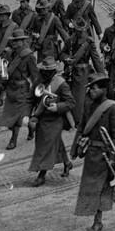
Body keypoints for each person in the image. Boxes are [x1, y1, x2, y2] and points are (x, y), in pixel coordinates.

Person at [74, 74, 115, 231]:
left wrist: (114, 157)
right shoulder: (88, 104)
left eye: (94, 88)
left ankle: (98, 222)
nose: (91, 91)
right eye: (90, 88)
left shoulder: (113, 107)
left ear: (103, 89)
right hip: (91, 154)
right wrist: (75, 148)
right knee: (93, 188)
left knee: (99, 189)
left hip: (106, 155)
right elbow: (82, 126)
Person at [28, 56, 74, 185]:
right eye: (43, 71)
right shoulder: (39, 81)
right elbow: (30, 99)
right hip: (42, 118)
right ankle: (67, 163)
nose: (44, 74)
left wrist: (58, 107)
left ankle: (42, 174)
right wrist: (27, 115)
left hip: (55, 119)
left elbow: (71, 102)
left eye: (47, 72)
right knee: (55, 142)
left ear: (53, 72)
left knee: (45, 146)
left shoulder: (61, 83)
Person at [0, 30, 38, 150]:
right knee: (11, 115)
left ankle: (13, 140)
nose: (14, 43)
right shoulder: (9, 54)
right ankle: (31, 128)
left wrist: (36, 91)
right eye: (13, 41)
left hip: (22, 89)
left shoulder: (28, 56)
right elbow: (5, 70)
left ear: (23, 41)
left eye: (17, 41)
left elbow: (35, 75)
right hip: (11, 89)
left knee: (16, 118)